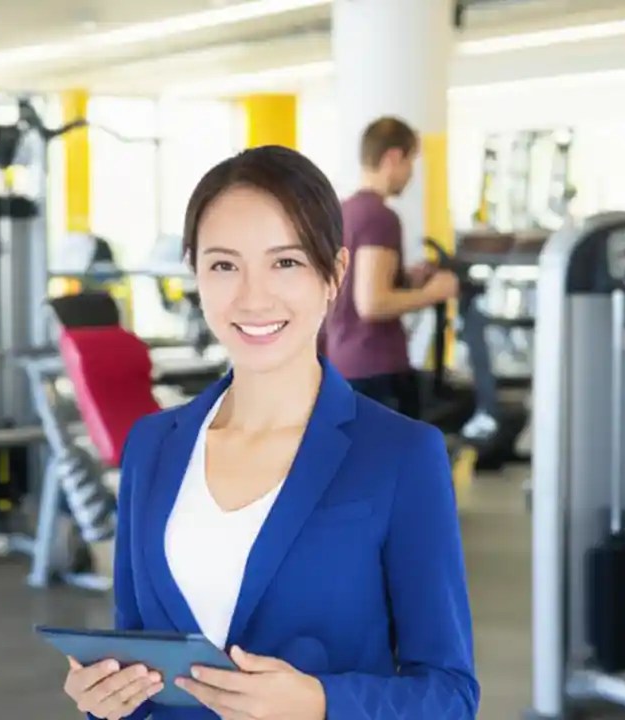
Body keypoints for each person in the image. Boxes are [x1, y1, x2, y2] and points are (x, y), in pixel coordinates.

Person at [61, 146, 478, 720]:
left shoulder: (401, 454)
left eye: (286, 263)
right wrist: (106, 703)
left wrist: (323, 703)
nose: (254, 297)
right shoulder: (152, 446)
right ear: (196, 274)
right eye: (224, 265)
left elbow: (451, 695)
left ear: (333, 273)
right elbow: (141, 665)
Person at [323, 117, 460, 419]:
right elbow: (372, 303)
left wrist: (407, 279)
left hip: (343, 366)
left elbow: (355, 286)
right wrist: (435, 292)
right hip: (376, 371)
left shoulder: (343, 212)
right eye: (411, 161)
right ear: (393, 158)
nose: (411, 174)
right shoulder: (379, 216)